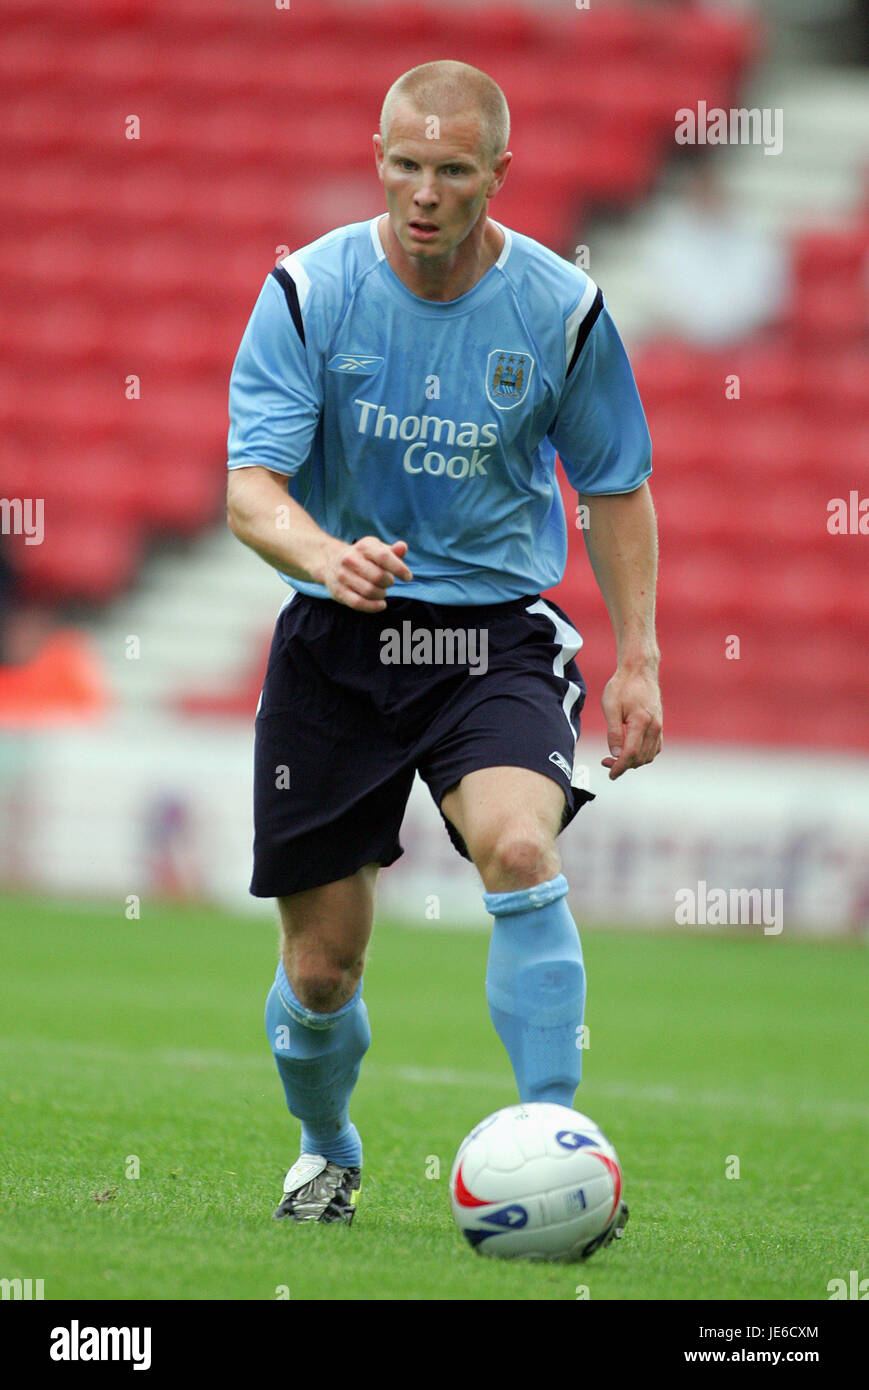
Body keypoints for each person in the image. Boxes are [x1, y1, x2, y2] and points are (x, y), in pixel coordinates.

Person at [226, 60, 661, 1231]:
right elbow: (250, 490)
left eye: (452, 169)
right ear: (378, 158)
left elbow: (615, 484)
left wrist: (639, 656)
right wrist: (322, 554)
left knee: (521, 850)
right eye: (406, 165)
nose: (425, 191)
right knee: (320, 972)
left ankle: (563, 1152)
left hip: (492, 637)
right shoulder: (308, 293)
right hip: (338, 639)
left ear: (495, 175)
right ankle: (325, 1149)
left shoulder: (557, 309)